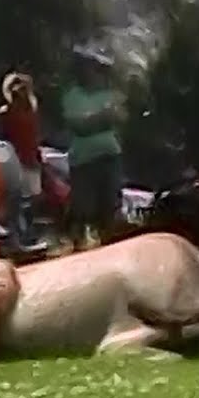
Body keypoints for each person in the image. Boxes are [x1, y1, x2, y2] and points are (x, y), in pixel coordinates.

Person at [62, 45, 125, 251]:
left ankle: (109, 244)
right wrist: (101, 118)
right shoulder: (73, 96)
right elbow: (79, 126)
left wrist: (96, 119)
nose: (94, 74)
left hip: (109, 155)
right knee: (83, 207)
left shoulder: (109, 94)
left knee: (110, 204)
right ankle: (78, 246)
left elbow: (119, 117)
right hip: (84, 159)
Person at [0, 71, 44, 245]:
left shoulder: (32, 110)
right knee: (16, 199)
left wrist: (38, 156)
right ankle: (16, 235)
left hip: (31, 161)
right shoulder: (5, 113)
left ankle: (28, 232)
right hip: (12, 162)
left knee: (31, 200)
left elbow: (36, 136)